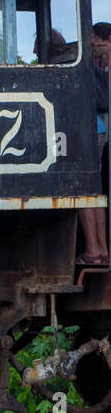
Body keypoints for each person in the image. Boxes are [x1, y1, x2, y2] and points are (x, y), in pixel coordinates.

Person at [77, 22, 111, 264]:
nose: (91, 45)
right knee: (95, 191)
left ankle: (94, 250)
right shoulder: (104, 67)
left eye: (93, 39)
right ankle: (101, 250)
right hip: (100, 130)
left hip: (92, 130)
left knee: (83, 191)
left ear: (104, 40)